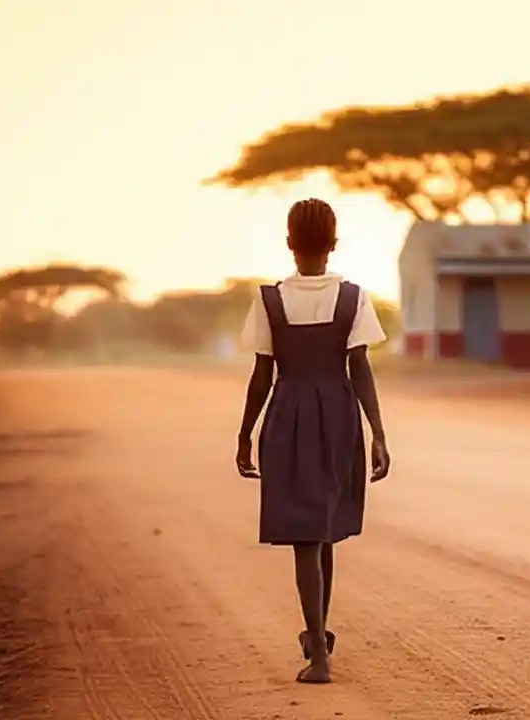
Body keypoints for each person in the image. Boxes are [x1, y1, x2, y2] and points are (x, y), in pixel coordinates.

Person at [235, 198, 391, 684]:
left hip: (288, 416)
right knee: (320, 530)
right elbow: (359, 368)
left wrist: (245, 435)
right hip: (339, 416)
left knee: (308, 534)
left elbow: (262, 373)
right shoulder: (352, 297)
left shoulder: (270, 300)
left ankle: (319, 655)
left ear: (289, 243)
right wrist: (378, 433)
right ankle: (317, 635)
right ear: (334, 244)